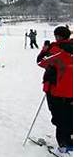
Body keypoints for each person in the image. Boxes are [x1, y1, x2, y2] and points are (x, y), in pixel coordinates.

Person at [36, 26, 72, 154]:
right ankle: (69, 140)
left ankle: (63, 145)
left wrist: (45, 50)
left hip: (56, 91)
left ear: (58, 36)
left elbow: (40, 62)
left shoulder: (56, 50)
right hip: (71, 91)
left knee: (59, 118)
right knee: (69, 116)